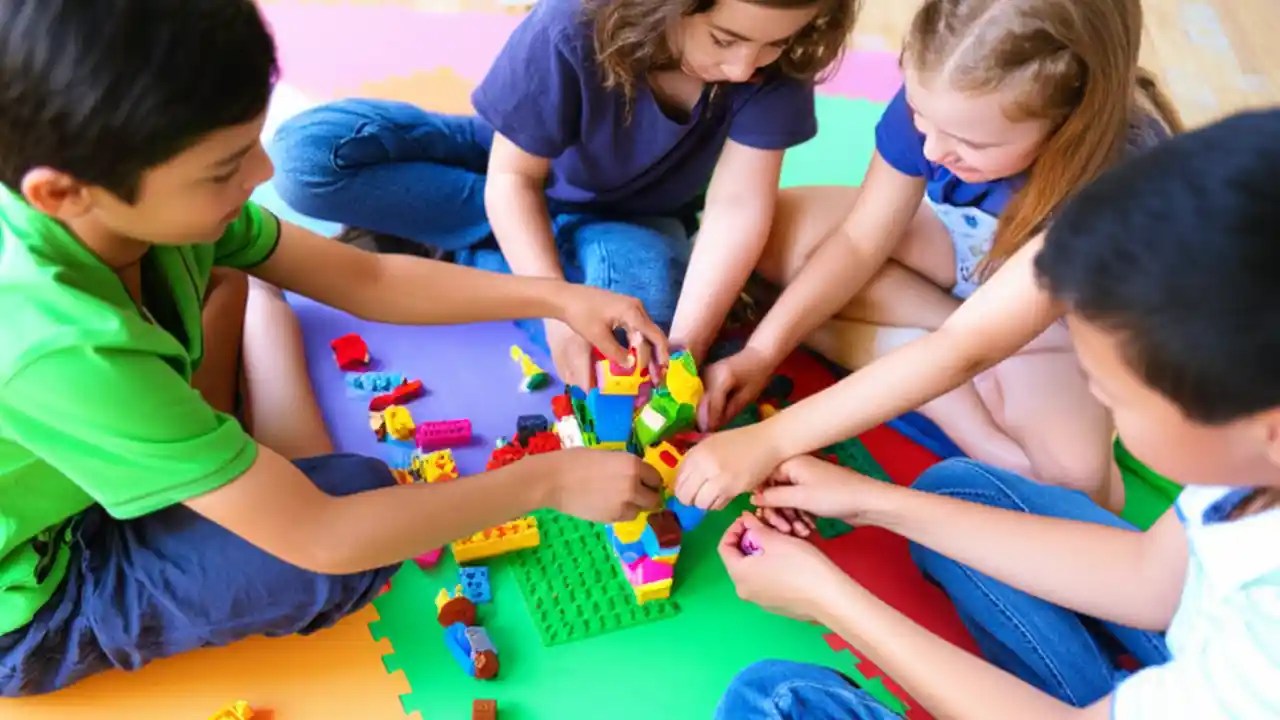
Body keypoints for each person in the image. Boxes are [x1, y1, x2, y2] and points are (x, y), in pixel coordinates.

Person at [0, 0, 670, 696]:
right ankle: (236, 437)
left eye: (253, 142)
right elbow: (323, 535)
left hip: (87, 443)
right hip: (37, 589)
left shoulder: (133, 213)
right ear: (63, 193)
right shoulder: (61, 348)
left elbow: (366, 276)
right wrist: (548, 481)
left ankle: (225, 440)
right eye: (223, 167)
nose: (262, 173)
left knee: (228, 281)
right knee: (342, 536)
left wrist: (556, 297)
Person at [715, 108, 1280, 719]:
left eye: (1114, 397)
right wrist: (869, 501)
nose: (1102, 403)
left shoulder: (1263, 631)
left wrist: (829, 599)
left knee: (772, 702)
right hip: (1197, 668)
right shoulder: (1252, 458)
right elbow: (1151, 577)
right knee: (958, 492)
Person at [679, 0, 1182, 514]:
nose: (935, 149)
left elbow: (966, 348)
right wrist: (763, 353)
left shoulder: (1118, 187)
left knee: (1076, 486)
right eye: (920, 115)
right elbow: (860, 240)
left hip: (1050, 329)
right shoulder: (947, 93)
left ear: (1067, 120)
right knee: (765, 244)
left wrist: (772, 441)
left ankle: (935, 389)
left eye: (970, 142)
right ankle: (926, 362)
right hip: (959, 252)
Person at [268, 0, 857, 388]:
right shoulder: (571, 24)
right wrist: (553, 308)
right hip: (502, 166)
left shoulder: (778, 66)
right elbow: (514, 178)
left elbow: (737, 206)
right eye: (725, 39)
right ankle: (500, 254)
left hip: (629, 221)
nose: (744, 67)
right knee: (304, 161)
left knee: (637, 330)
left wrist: (686, 351)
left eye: (775, 44)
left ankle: (449, 248)